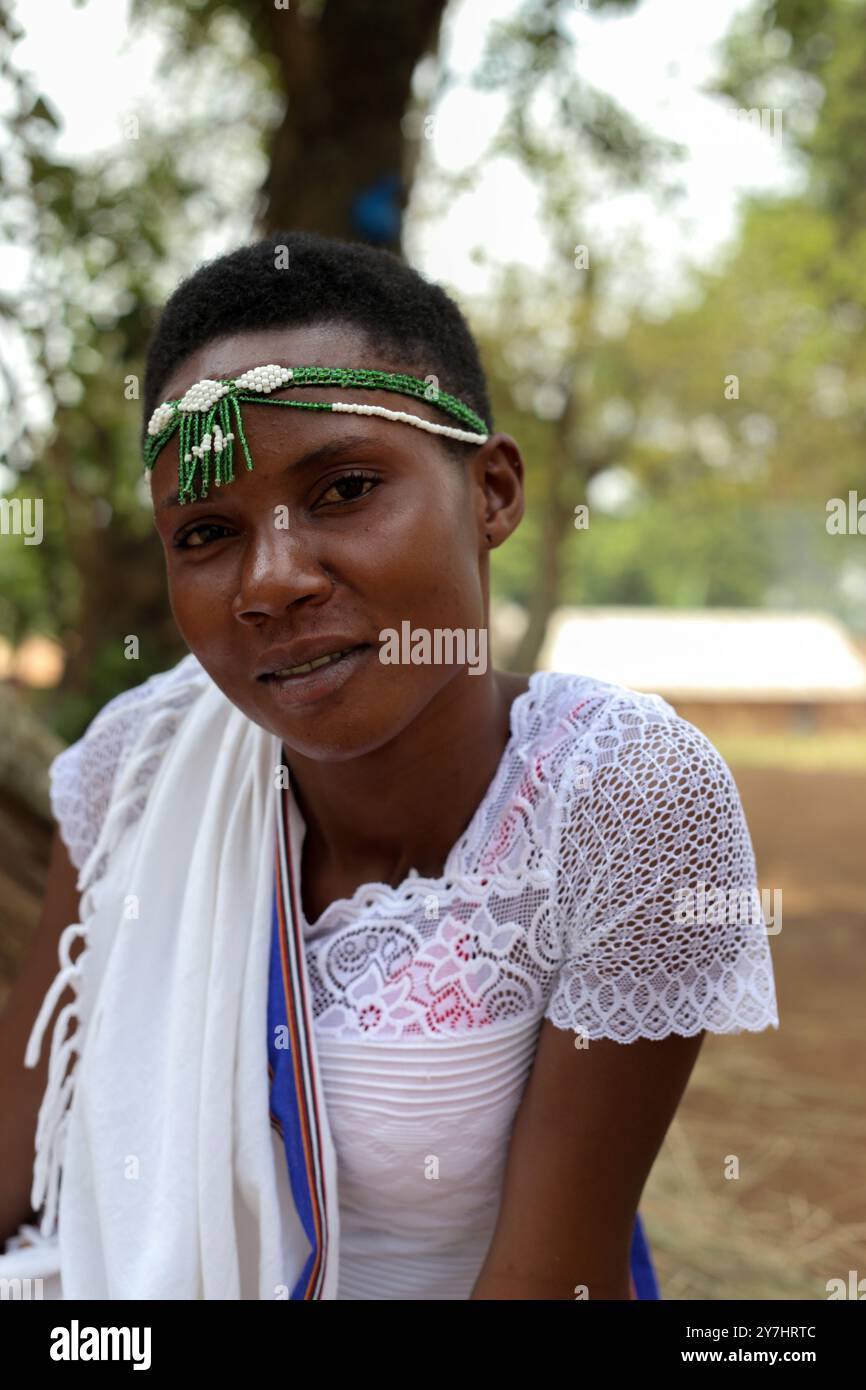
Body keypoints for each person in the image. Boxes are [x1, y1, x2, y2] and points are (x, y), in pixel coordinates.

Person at [0, 230, 779, 1300]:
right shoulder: (143, 770)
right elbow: (19, 1157)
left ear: (492, 492)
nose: (269, 581)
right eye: (205, 531)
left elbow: (549, 1283)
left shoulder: (622, 799)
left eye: (345, 488)